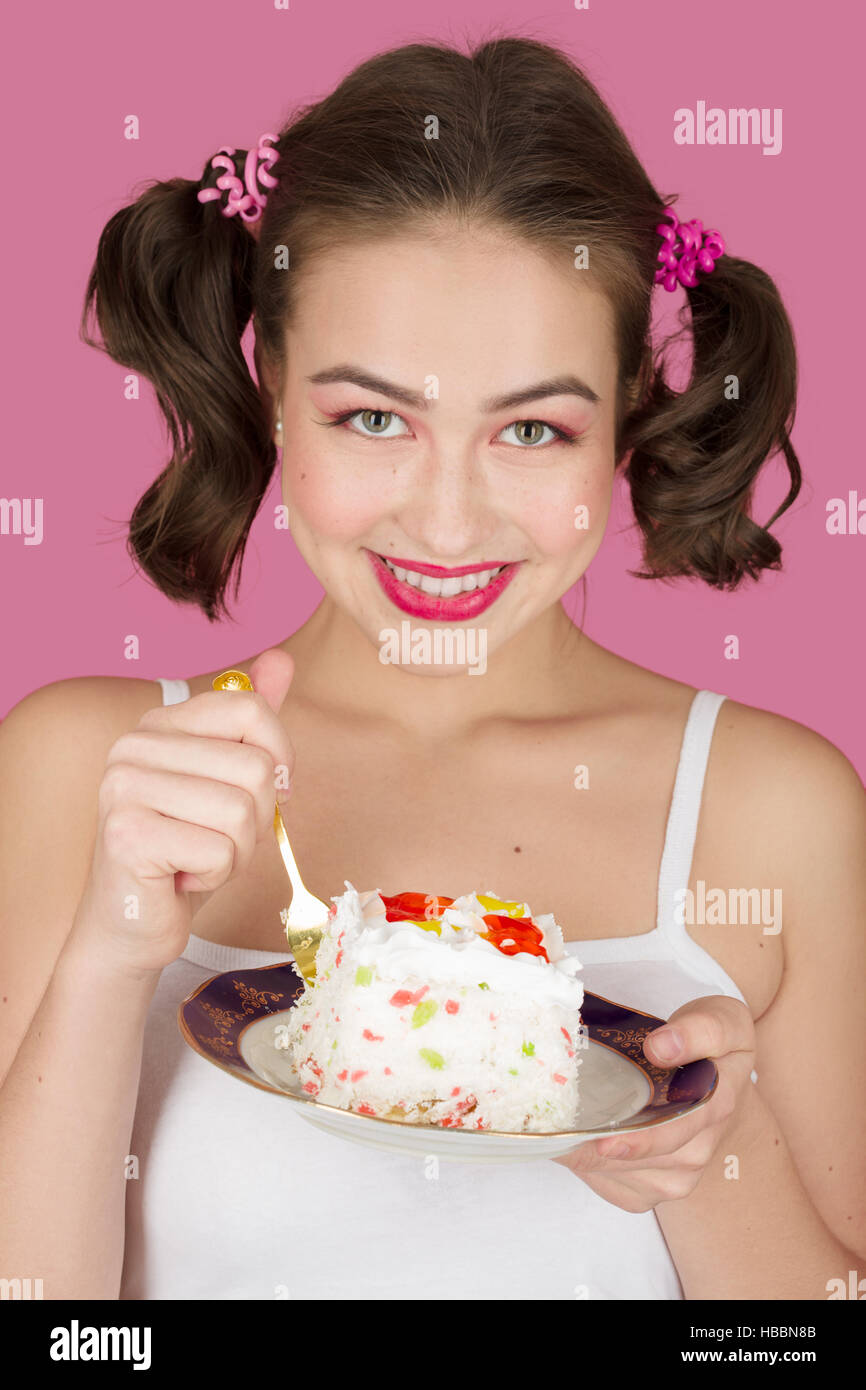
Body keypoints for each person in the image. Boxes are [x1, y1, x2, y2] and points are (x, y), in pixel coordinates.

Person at [1, 34, 863, 1302]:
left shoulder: (774, 804)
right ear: (272, 385)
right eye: (371, 418)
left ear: (625, 408)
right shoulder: (85, 766)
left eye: (531, 428)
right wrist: (106, 962)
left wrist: (716, 1146)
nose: (448, 526)